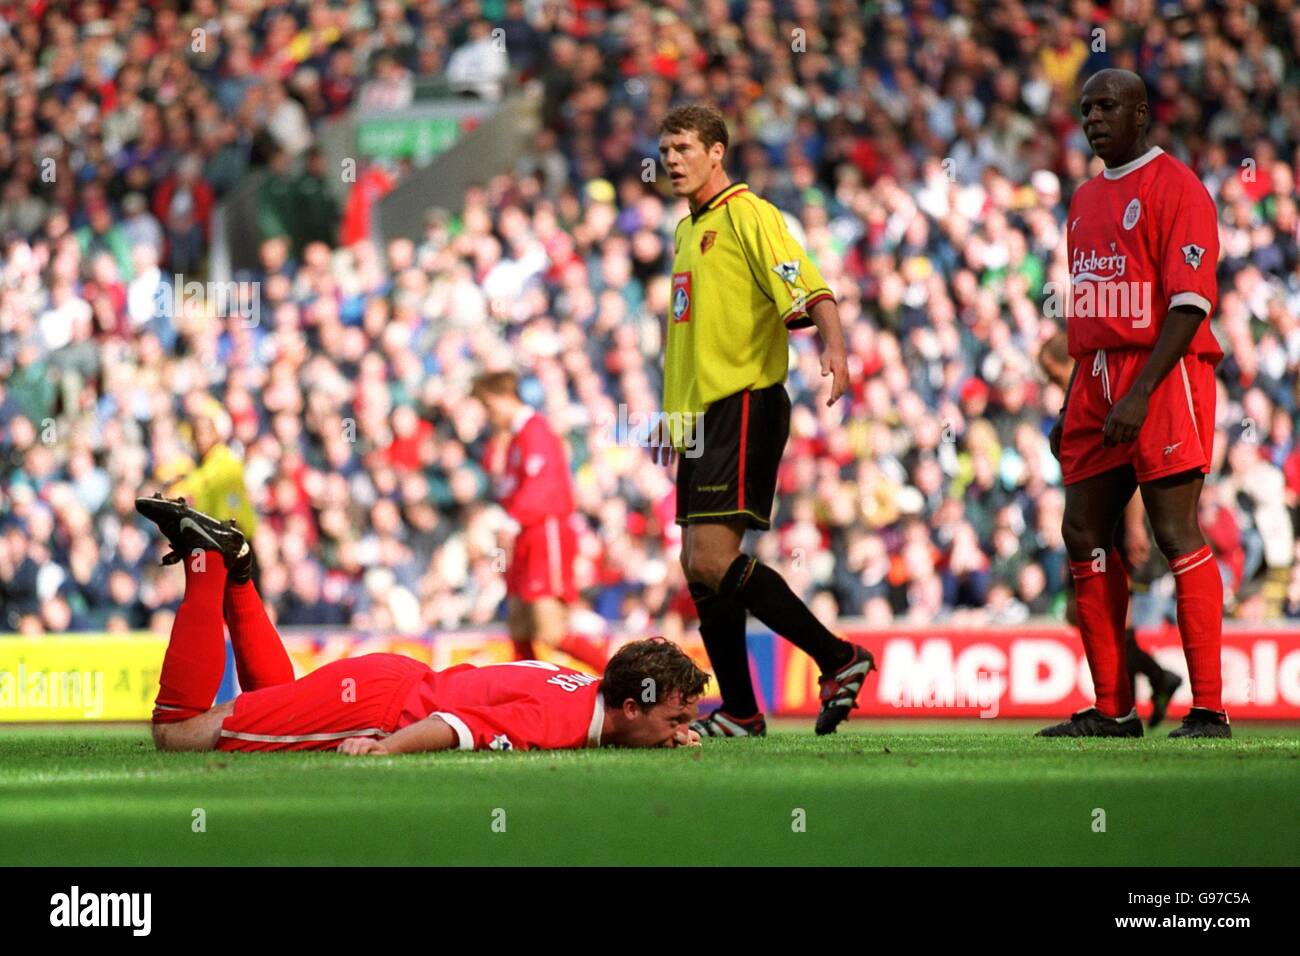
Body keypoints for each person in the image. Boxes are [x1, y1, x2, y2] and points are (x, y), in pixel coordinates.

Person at [136, 496, 706, 753]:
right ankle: (206, 563)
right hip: (377, 711)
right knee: (176, 733)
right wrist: (387, 751)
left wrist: (666, 732)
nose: (683, 729)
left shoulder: (589, 686)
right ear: (632, 708)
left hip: (392, 680)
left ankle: (237, 572)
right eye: (678, 718)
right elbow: (453, 724)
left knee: (279, 701)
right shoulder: (563, 721)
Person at [651, 103, 873, 737]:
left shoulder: (749, 213)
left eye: (684, 147)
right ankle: (744, 712)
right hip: (699, 417)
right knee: (697, 565)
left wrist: (834, 346)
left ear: (716, 152)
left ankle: (840, 657)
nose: (671, 159)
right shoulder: (685, 231)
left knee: (715, 560)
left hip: (745, 402)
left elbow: (810, 285)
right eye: (665, 149)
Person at [1040, 70, 1228, 739]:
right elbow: (1090, 310)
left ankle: (1208, 709)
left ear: (1142, 114)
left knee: (1176, 533)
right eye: (1086, 108)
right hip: (1093, 374)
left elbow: (1189, 303)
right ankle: (1114, 709)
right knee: (1081, 532)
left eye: (1107, 106)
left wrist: (1141, 391)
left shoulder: (1177, 187)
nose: (1093, 117)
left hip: (1161, 372)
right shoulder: (1085, 198)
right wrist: (1075, 395)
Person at [1039, 331, 1183, 728]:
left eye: (1053, 376)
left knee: (1095, 612)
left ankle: (1132, 696)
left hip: (1118, 520)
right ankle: (1135, 694)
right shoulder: (1087, 396)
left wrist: (1135, 526)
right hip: (1109, 515)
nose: (1054, 385)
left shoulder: (1101, 390)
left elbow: (1127, 466)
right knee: (1100, 616)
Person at [470, 370, 606, 672]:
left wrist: (510, 520)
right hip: (525, 537)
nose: (488, 417)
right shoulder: (517, 439)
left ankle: (622, 679)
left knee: (550, 629)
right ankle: (528, 693)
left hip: (546, 532)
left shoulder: (536, 431)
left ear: (503, 398)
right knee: (518, 622)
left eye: (488, 408)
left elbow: (542, 486)